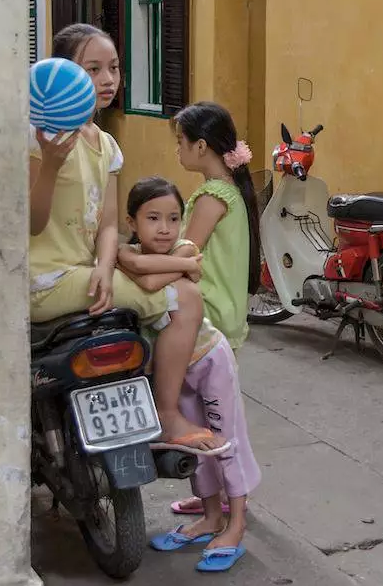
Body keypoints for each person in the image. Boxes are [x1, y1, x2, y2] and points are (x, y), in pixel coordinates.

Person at [29, 23, 223, 454]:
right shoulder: (40, 139)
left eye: (113, 68)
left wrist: (103, 264)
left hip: (88, 275)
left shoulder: (106, 145)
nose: (107, 79)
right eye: (92, 69)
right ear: (64, 74)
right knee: (188, 300)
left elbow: (110, 225)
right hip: (46, 281)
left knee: (179, 292)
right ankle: (168, 414)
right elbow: (33, 223)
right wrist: (49, 163)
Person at [121, 177, 261, 573]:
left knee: (226, 441)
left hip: (210, 361)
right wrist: (179, 269)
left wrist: (153, 263)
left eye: (173, 218)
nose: (164, 228)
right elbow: (138, 267)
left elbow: (146, 278)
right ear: (132, 221)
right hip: (175, 370)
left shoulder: (186, 246)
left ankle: (237, 523)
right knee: (193, 443)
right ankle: (211, 517)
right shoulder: (156, 255)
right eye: (152, 218)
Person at [165, 102, 263, 517]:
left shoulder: (211, 196)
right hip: (227, 313)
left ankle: (220, 498)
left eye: (180, 143)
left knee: (204, 413)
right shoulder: (231, 190)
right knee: (215, 410)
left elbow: (184, 254)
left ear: (201, 145)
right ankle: (217, 495)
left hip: (208, 317)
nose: (178, 151)